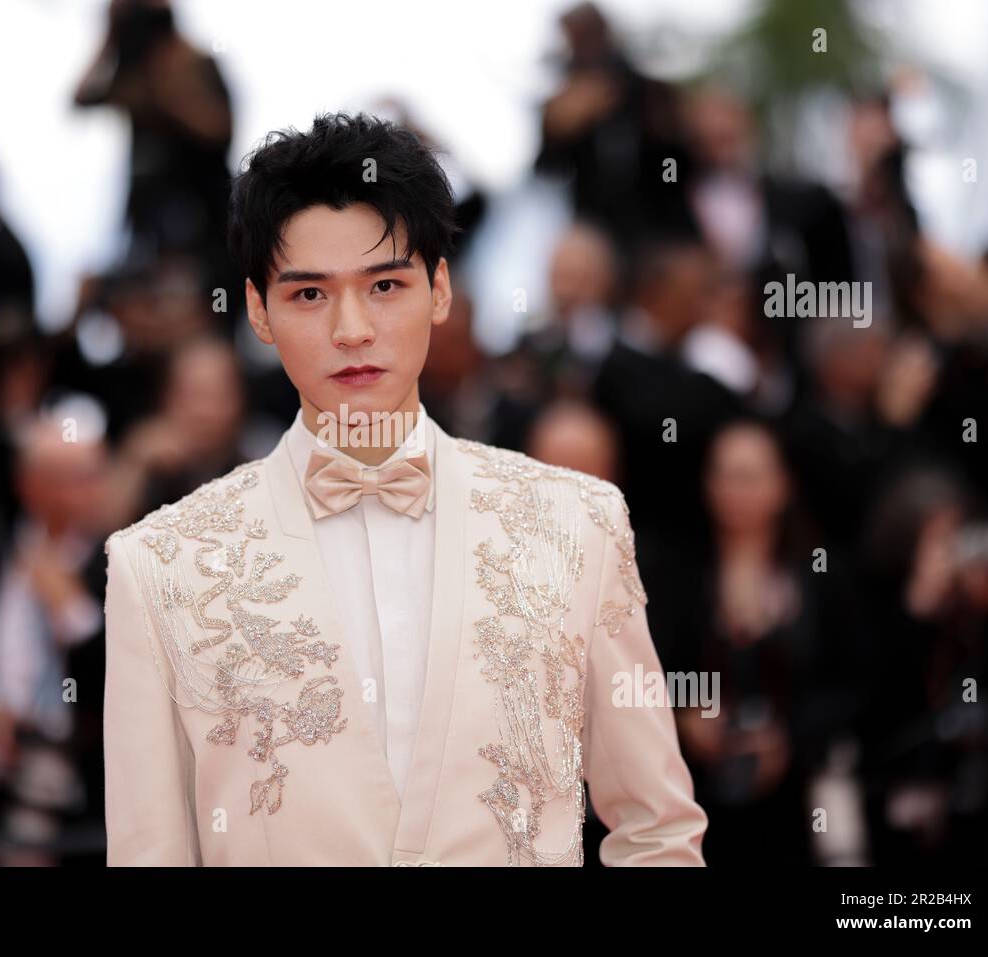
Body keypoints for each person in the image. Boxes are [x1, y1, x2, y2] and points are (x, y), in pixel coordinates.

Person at [102, 112, 707, 866]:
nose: (353, 328)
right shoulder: (159, 565)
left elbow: (658, 830)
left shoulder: (576, 523)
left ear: (441, 289)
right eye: (310, 295)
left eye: (385, 284)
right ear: (258, 310)